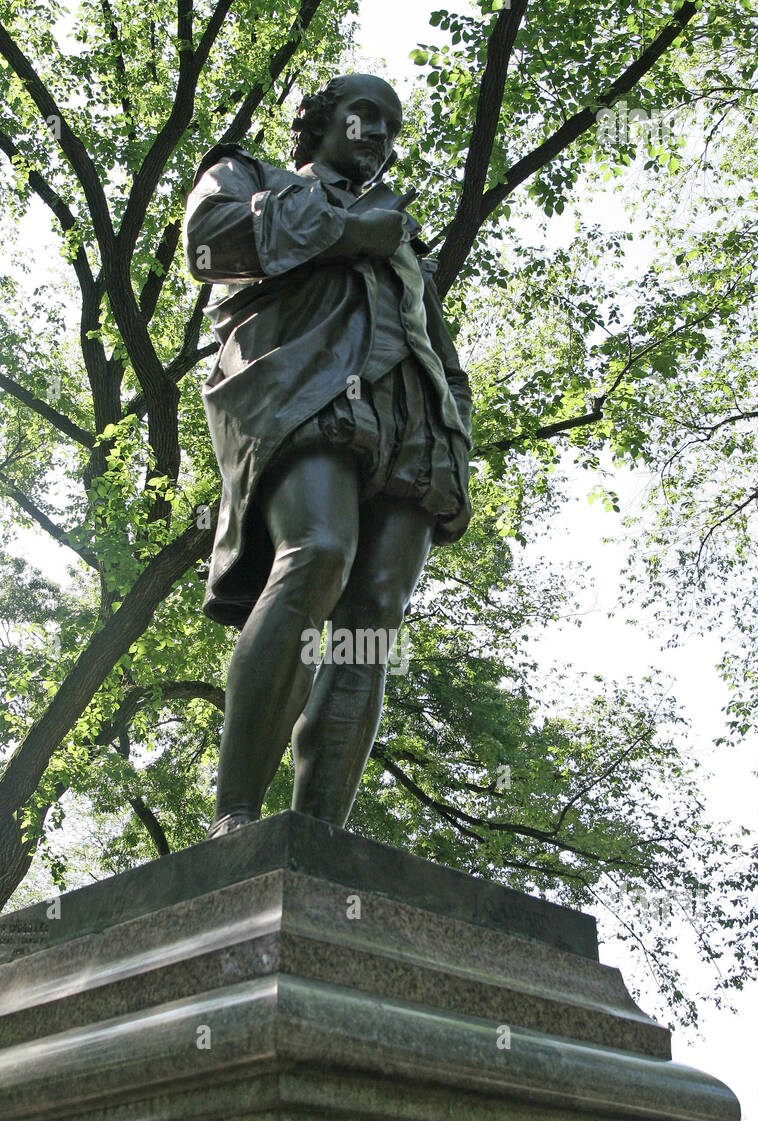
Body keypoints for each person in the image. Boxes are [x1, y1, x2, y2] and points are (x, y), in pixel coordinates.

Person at [183, 72, 472, 837]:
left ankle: (321, 837)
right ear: (318, 120)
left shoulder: (402, 236)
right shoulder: (249, 176)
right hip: (305, 395)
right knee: (315, 554)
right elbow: (209, 241)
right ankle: (235, 819)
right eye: (364, 114)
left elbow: (441, 350)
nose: (377, 134)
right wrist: (349, 232)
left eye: (390, 126)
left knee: (373, 617)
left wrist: (456, 429)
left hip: (412, 425)